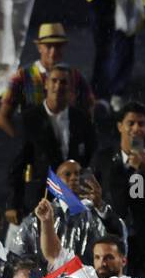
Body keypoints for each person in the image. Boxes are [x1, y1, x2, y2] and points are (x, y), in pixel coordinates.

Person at [89, 100, 145, 278]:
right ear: (119, 126)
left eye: (141, 124)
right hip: (112, 239)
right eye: (130, 123)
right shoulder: (104, 158)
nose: (136, 128)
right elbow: (111, 197)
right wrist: (129, 173)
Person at [8, 64, 96, 221]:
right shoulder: (29, 119)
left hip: (76, 200)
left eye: (64, 82)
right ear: (46, 84)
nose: (58, 86)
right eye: (54, 81)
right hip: (42, 199)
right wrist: (13, 204)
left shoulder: (81, 119)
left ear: (71, 88)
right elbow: (17, 165)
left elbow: (91, 157)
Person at [0, 22, 93, 136]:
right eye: (48, 46)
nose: (53, 52)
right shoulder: (23, 76)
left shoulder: (74, 75)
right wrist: (22, 140)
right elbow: (2, 117)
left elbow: (89, 107)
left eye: (58, 46)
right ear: (39, 47)